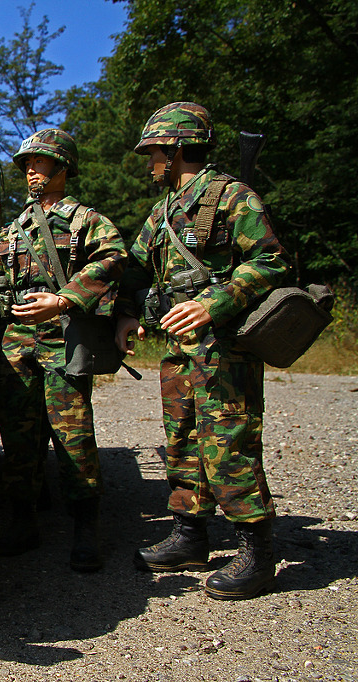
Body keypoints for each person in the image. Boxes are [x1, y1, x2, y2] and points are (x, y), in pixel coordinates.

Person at [114, 102, 291, 600]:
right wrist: (126, 313)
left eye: (153, 152)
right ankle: (189, 535)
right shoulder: (163, 212)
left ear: (175, 150)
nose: (149, 162)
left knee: (229, 442)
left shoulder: (232, 195)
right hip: (179, 348)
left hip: (224, 347)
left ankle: (257, 551)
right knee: (183, 439)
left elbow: (271, 261)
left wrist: (213, 303)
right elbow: (134, 268)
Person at [0, 128, 127, 572]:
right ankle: (23, 520)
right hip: (16, 346)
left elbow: (114, 258)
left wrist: (64, 299)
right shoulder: (11, 231)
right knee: (18, 437)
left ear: (63, 168)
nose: (31, 172)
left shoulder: (86, 221)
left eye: (39, 163)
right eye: (27, 164)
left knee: (73, 435)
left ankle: (86, 526)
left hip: (63, 339)